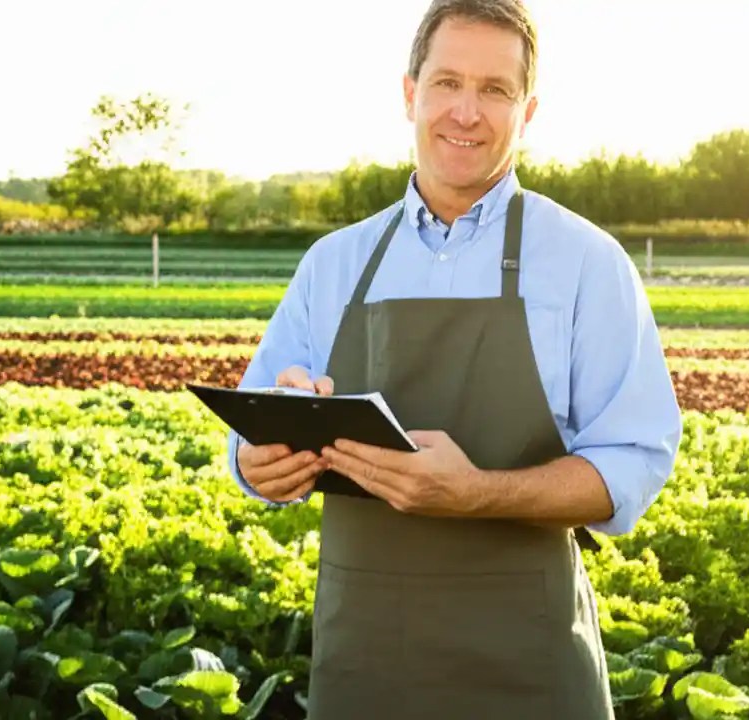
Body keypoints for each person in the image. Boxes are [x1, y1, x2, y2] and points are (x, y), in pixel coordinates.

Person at [225, 0, 682, 717]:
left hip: (526, 664)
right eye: (447, 82)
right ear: (410, 93)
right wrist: (258, 464)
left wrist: (477, 493)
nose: (466, 112)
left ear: (527, 111)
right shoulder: (334, 263)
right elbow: (251, 432)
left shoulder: (587, 263)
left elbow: (631, 463)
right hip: (363, 662)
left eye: (495, 90)